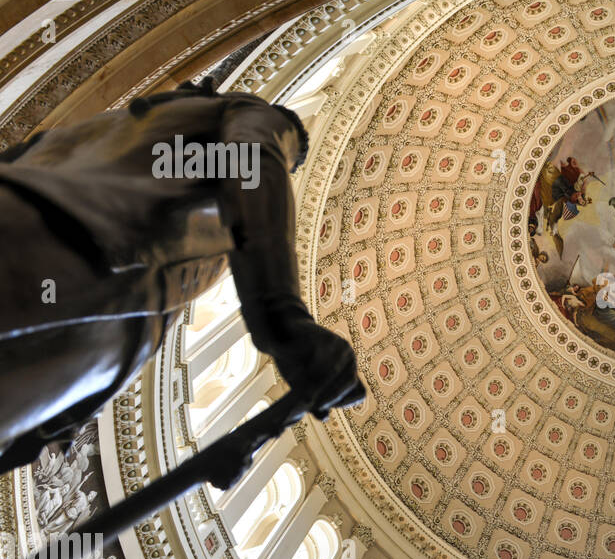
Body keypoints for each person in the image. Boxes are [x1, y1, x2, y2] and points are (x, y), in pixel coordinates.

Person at [0, 78, 363, 475]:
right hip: (77, 263)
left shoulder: (124, 128)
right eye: (286, 165)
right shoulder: (251, 121)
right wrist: (284, 320)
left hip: (79, 302)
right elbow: (252, 162)